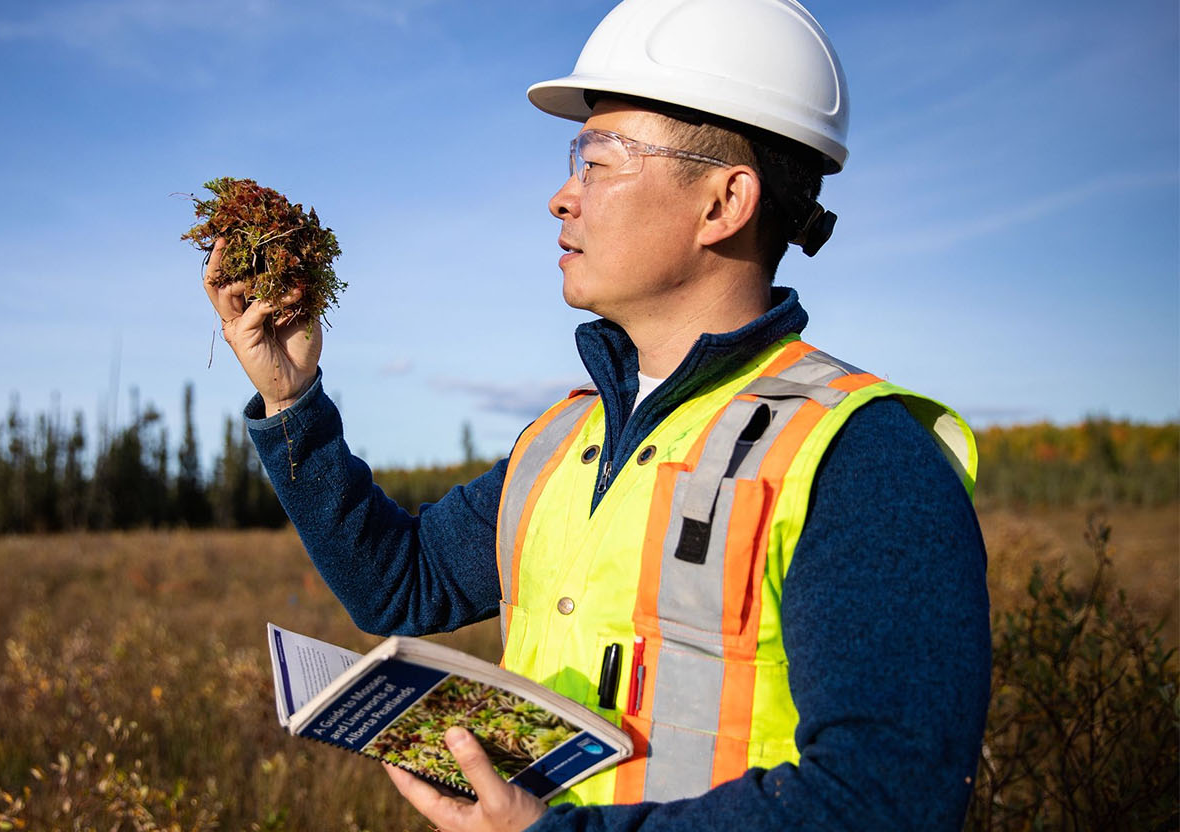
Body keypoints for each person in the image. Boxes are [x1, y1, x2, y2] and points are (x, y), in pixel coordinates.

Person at [203, 1, 991, 829]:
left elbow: (887, 800)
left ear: (724, 203)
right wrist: (292, 400)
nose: (560, 197)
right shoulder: (565, 442)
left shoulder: (859, 457)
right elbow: (401, 586)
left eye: (598, 161)